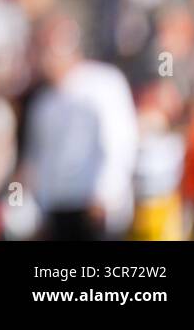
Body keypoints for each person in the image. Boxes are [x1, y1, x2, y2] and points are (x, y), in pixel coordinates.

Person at [21, 13, 138, 240]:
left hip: (94, 208)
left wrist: (106, 193)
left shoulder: (104, 84)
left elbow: (120, 141)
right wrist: (37, 209)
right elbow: (39, 159)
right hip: (57, 209)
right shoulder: (43, 102)